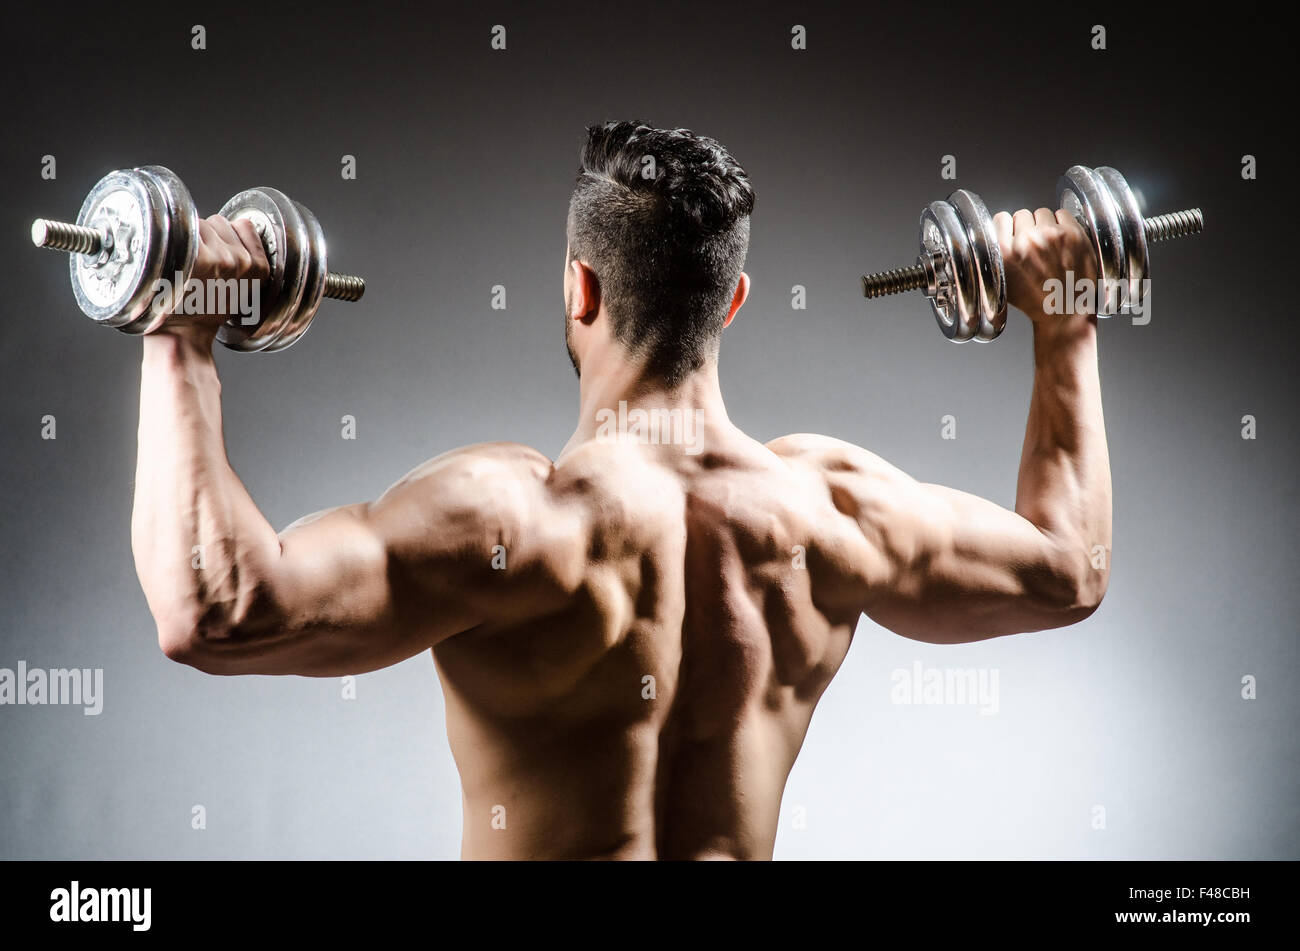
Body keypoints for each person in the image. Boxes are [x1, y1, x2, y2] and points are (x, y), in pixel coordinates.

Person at [132, 121, 1111, 859]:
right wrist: (1065, 320)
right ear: (732, 301)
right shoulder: (830, 512)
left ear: (579, 290)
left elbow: (216, 612)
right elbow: (1069, 570)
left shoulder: (510, 519)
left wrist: (180, 336)